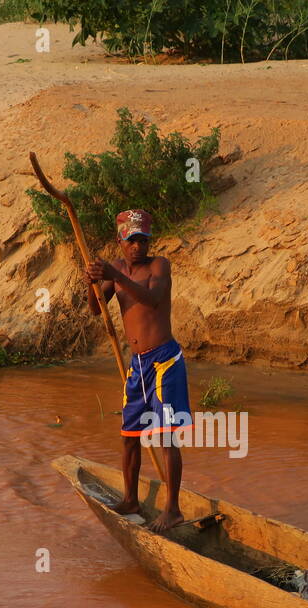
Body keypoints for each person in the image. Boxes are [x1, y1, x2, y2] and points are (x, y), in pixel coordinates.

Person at [85, 209, 190, 532]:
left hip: (164, 361)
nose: (137, 247)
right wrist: (90, 280)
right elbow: (94, 309)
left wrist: (116, 279)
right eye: (131, 241)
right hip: (137, 365)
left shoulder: (160, 265)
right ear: (120, 241)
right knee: (129, 436)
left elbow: (153, 299)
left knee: (165, 436)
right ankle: (131, 499)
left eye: (143, 240)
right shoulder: (115, 270)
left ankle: (172, 510)